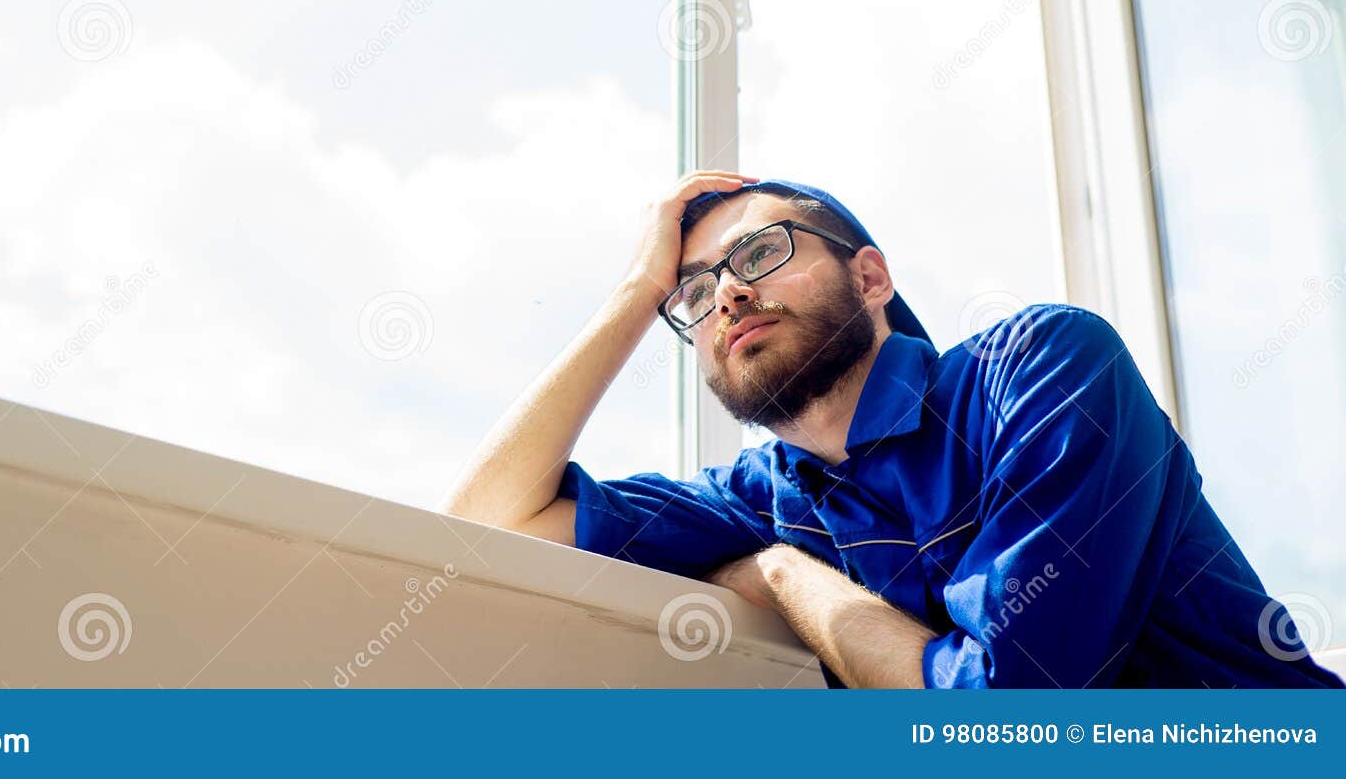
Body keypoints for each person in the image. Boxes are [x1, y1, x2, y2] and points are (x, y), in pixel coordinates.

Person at [441, 171, 1345, 688]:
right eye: (696, 292)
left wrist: (787, 577)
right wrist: (634, 295)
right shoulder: (763, 495)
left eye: (759, 254)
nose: (729, 295)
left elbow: (1006, 726)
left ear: (870, 277)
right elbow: (482, 521)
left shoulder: (1043, 366)